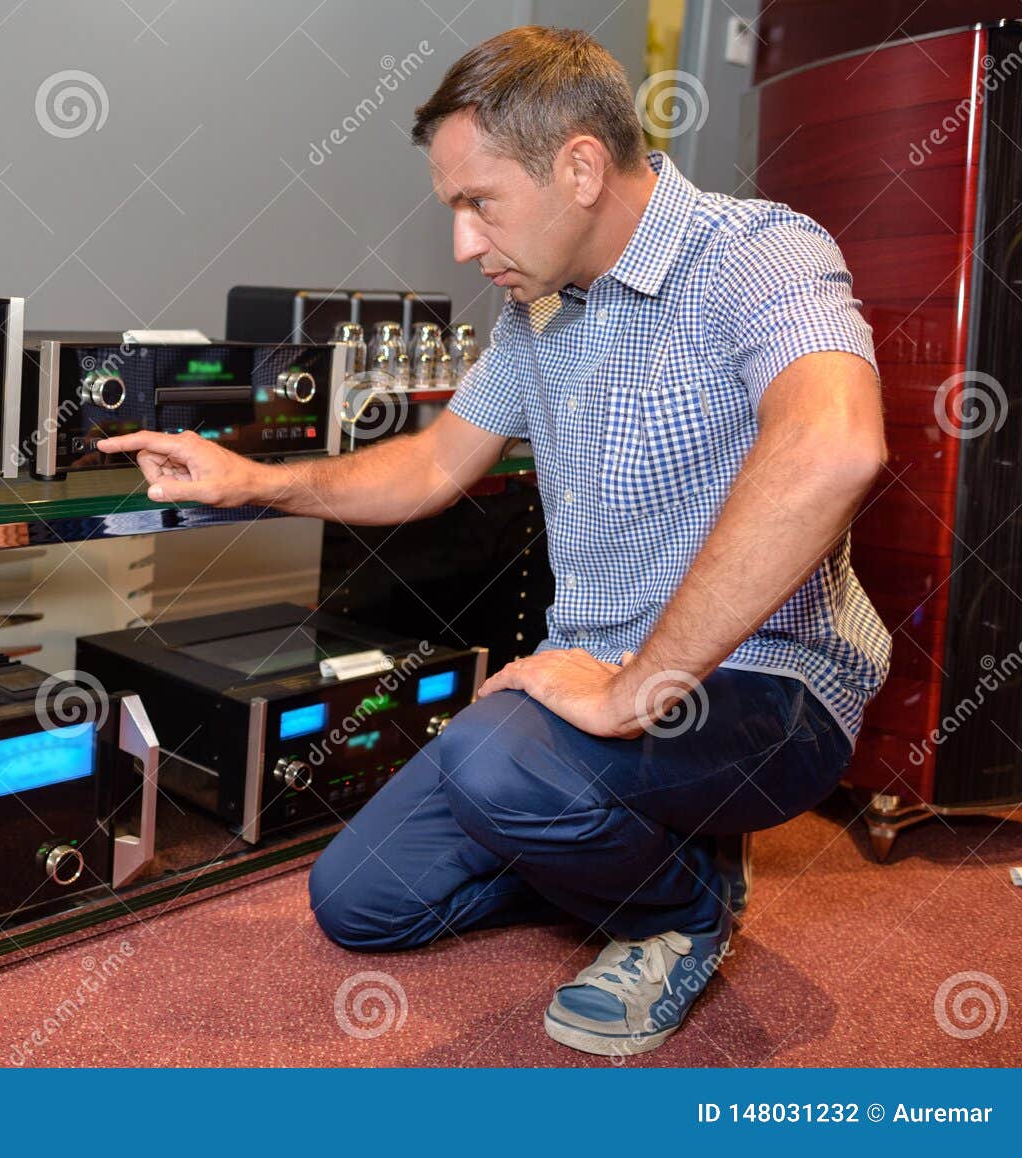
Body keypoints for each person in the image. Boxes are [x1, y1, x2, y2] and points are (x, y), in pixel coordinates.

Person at [96, 25, 890, 1056]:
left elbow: (832, 448)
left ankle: (680, 906)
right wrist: (254, 483)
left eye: (478, 203)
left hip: (766, 690)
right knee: (361, 900)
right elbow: (429, 467)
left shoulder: (756, 253)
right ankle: (623, 838)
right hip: (589, 680)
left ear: (579, 165)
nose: (465, 244)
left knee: (493, 758)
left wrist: (630, 686)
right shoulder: (537, 317)